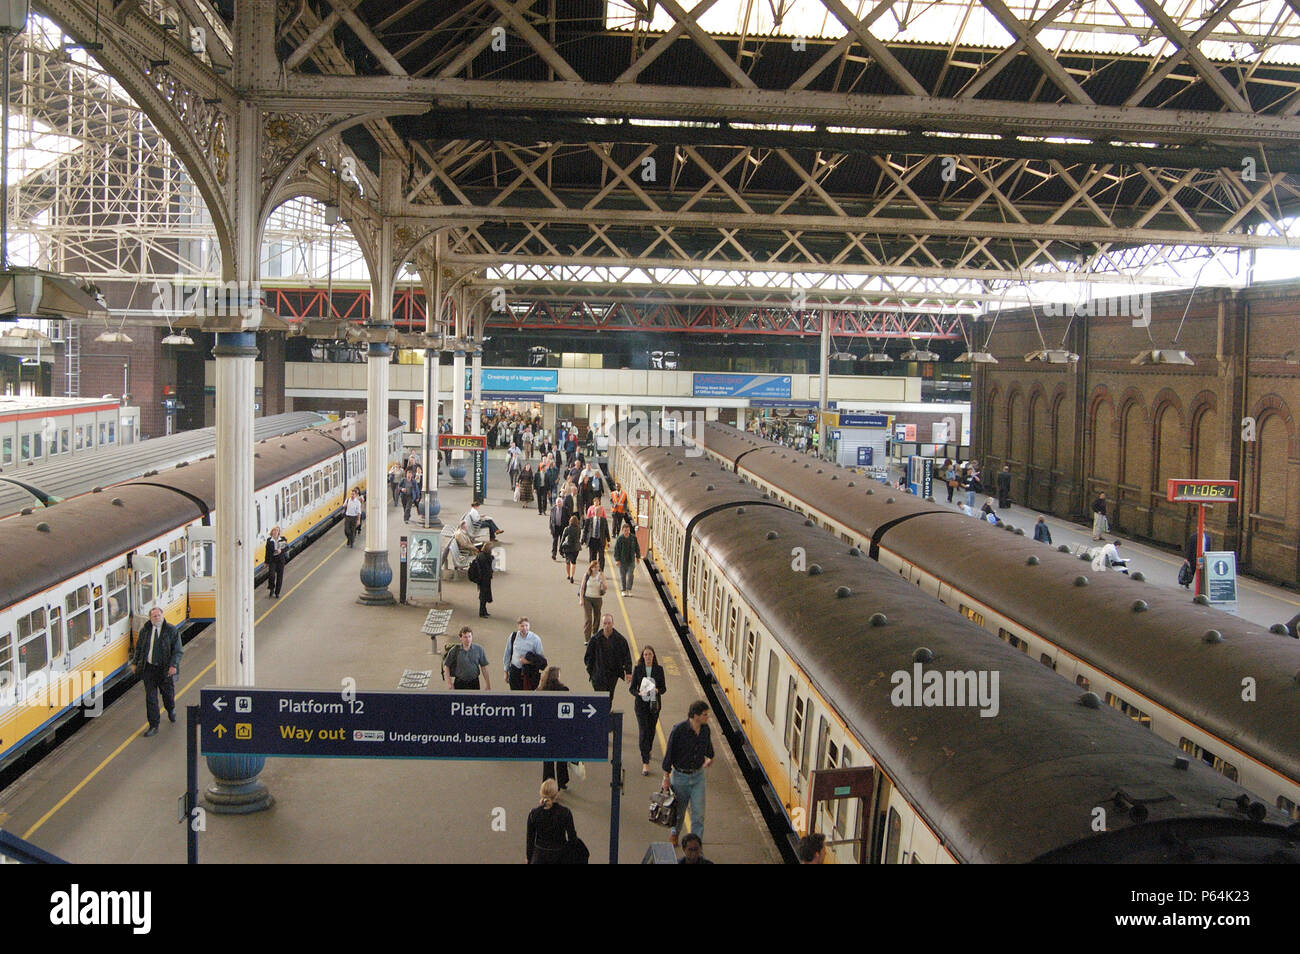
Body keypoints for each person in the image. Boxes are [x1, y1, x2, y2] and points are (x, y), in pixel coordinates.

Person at [661, 700, 714, 844]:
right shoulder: (678, 730)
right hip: (680, 777)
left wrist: (709, 759)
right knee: (679, 811)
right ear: (695, 715)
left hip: (698, 776)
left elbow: (709, 750)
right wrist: (666, 777)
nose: (707, 717)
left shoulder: (705, 730)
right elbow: (669, 754)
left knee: (698, 814)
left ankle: (695, 843)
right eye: (704, 714)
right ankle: (675, 833)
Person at [131, 606, 182, 737]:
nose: (157, 618)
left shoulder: (171, 630)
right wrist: (135, 663)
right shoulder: (145, 631)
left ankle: (170, 709)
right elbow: (139, 648)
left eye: (159, 615)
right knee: (151, 698)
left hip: (165, 670)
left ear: (162, 615)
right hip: (149, 669)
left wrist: (173, 665)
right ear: (150, 618)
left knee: (168, 694)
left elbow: (177, 651)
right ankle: (154, 725)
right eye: (154, 616)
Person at [631, 644, 667, 775]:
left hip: (654, 705)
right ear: (642, 656)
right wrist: (638, 693)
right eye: (645, 655)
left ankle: (648, 749)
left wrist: (657, 690)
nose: (647, 657)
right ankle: (645, 762)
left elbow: (663, 688)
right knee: (643, 731)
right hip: (641, 705)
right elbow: (632, 688)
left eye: (650, 654)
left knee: (651, 731)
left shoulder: (659, 670)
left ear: (653, 656)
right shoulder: (638, 669)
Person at [526, 779, 577, 864]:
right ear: (556, 795)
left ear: (541, 793)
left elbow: (530, 839)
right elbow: (572, 838)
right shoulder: (565, 813)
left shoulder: (533, 814)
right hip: (559, 854)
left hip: (540, 855)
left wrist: (529, 858)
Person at [584, 612, 633, 701]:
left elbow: (626, 656)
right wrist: (592, 671)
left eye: (609, 623)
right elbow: (588, 657)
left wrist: (628, 672)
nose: (607, 626)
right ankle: (602, 714)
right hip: (598, 675)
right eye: (605, 623)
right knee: (600, 698)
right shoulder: (595, 640)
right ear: (602, 625)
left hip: (612, 675)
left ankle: (606, 713)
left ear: (613, 624)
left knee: (609, 697)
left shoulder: (620, 640)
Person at [538, 666, 570, 790]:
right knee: (561, 756)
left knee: (548, 759)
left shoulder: (541, 690)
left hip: (547, 728)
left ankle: (548, 782)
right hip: (560, 728)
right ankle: (562, 781)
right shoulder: (564, 690)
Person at [443, 626, 491, 690]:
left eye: (469, 636)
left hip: (474, 682)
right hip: (459, 682)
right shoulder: (454, 651)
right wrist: (449, 683)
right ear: (460, 638)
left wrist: (488, 684)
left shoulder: (479, 649)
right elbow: (446, 667)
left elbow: (484, 668)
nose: (468, 639)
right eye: (465, 637)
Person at [504, 617, 545, 691]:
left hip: (529, 673)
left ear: (529, 626)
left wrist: (528, 662)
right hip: (514, 671)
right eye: (522, 626)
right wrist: (506, 672)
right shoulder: (513, 636)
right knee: (514, 694)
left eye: (526, 626)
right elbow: (507, 654)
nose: (524, 628)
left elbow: (541, 660)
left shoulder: (536, 639)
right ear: (518, 627)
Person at [579, 560, 607, 642]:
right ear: (591, 568)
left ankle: (595, 634)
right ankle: (587, 638)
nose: (596, 569)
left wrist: (602, 581)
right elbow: (582, 587)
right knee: (588, 619)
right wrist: (581, 599)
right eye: (594, 567)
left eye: (597, 567)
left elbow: (605, 588)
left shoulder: (601, 575)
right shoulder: (587, 575)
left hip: (597, 598)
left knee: (597, 617)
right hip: (587, 598)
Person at [613, 522, 640, 596]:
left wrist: (638, 557)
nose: (627, 532)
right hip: (622, 561)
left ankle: (629, 589)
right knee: (623, 576)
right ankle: (623, 590)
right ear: (622, 530)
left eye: (628, 530)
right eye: (625, 530)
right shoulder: (619, 539)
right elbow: (616, 550)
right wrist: (617, 559)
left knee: (630, 575)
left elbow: (637, 548)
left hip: (631, 560)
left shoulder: (633, 538)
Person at [583, 497, 611, 570]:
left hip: (600, 540)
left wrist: (608, 540)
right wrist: (583, 540)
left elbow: (606, 531)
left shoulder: (603, 520)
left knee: (601, 557)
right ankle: (592, 570)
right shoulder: (589, 520)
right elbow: (585, 530)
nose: (597, 513)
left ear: (600, 512)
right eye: (596, 512)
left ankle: (601, 570)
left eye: (598, 512)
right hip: (592, 540)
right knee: (592, 556)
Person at [470, 542, 495, 617]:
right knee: (483, 596)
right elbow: (488, 569)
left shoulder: (481, 555)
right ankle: (482, 612)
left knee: (483, 595)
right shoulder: (486, 557)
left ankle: (484, 611)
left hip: (482, 578)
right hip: (484, 579)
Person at [265, 525, 287, 597]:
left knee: (279, 577)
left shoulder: (282, 539)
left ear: (279, 532)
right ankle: (271, 588)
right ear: (272, 532)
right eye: (274, 530)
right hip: (272, 560)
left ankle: (277, 593)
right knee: (271, 575)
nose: (275, 532)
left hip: (280, 560)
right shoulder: (269, 540)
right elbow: (267, 552)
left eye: (277, 530)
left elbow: (287, 547)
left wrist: (281, 550)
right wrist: (266, 562)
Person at [560, 514, 582, 583]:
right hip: (575, 547)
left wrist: (560, 548)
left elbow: (563, 538)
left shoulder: (567, 529)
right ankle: (572, 575)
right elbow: (579, 537)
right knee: (573, 562)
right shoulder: (578, 529)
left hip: (568, 547)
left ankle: (568, 575)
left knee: (567, 562)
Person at [549, 493, 570, 561]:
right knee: (555, 541)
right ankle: (554, 554)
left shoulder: (565, 509)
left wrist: (567, 528)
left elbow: (568, 519)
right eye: (558, 502)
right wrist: (550, 528)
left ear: (562, 503)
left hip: (562, 527)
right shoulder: (553, 509)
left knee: (562, 541)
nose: (559, 503)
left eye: (560, 502)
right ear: (556, 503)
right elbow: (551, 519)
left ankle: (562, 552)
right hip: (555, 527)